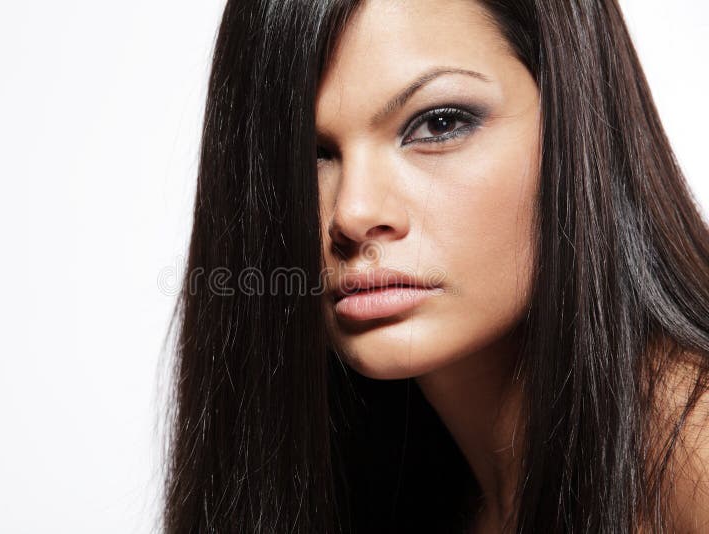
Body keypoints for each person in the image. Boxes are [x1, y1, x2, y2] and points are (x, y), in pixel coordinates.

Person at [163, 1, 709, 532]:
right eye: (308, 155)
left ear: (579, 119)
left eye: (440, 124)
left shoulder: (692, 450)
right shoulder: (388, 478)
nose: (353, 213)